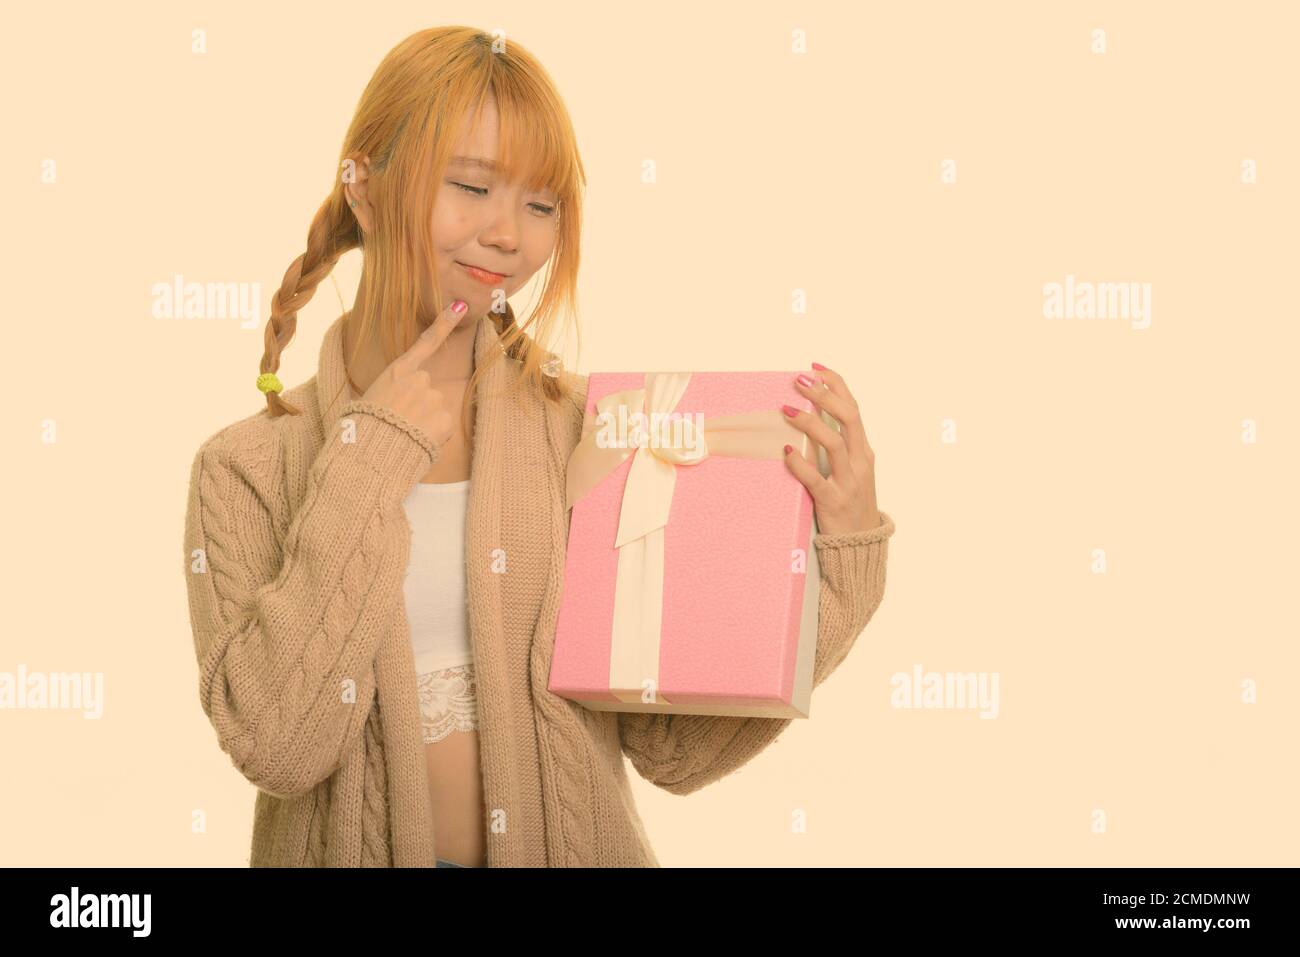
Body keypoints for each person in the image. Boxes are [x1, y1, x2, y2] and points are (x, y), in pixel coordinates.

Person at [181, 25, 896, 868]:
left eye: (541, 204)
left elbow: (671, 748)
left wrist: (832, 557)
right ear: (365, 190)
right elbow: (277, 743)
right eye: (473, 186)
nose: (508, 236)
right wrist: (371, 451)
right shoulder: (243, 468)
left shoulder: (586, 432)